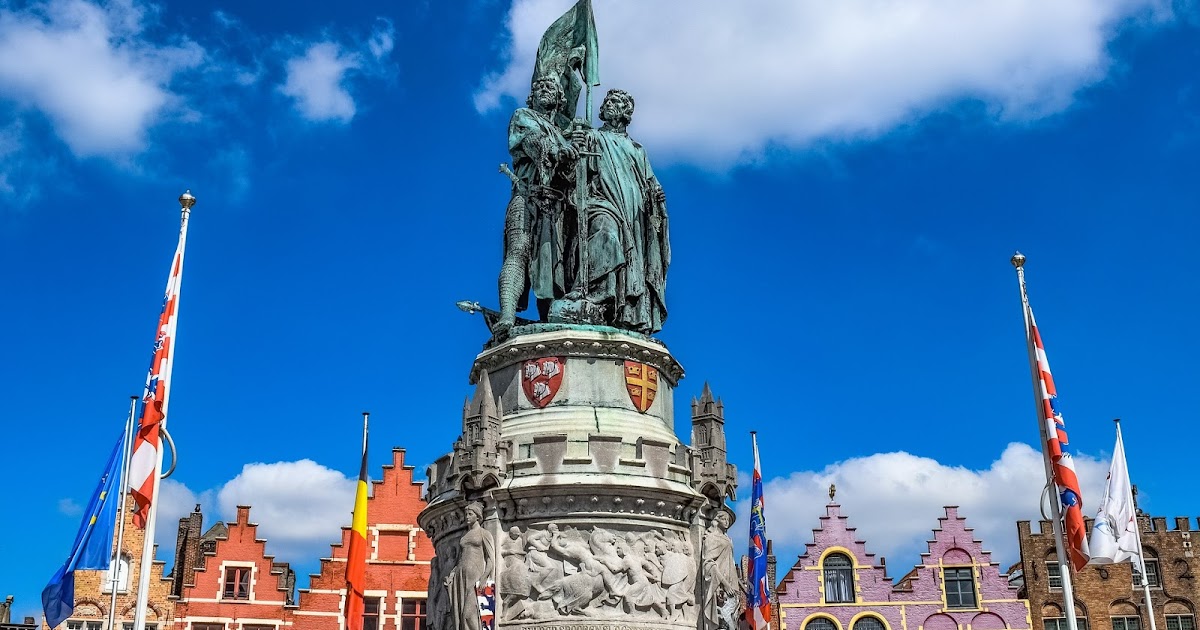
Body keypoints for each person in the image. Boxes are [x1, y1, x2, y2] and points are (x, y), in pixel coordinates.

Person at [569, 89, 669, 333]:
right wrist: (576, 147)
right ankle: (596, 295)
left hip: (634, 212)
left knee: (634, 259)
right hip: (601, 201)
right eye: (608, 101)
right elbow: (572, 171)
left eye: (617, 102)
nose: (610, 105)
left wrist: (657, 195)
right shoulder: (591, 136)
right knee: (606, 233)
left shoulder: (637, 149)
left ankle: (624, 311)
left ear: (627, 112)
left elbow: (649, 181)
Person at [496, 77, 580, 336]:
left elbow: (572, 178)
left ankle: (550, 318)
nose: (543, 90)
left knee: (553, 265)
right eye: (539, 88)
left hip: (555, 205)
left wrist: (576, 151)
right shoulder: (523, 116)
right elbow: (533, 143)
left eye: (550, 88)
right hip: (527, 196)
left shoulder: (563, 134)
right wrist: (560, 149)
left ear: (559, 99)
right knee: (518, 251)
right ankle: (507, 316)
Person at [446, 503, 495, 630]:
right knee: (461, 614)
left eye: (470, 514)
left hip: (476, 576)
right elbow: (459, 559)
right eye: (466, 514)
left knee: (468, 613)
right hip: (461, 576)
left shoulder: (484, 533)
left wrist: (484, 577)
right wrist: (451, 575)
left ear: (478, 516)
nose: (467, 517)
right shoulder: (464, 536)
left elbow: (491, 559)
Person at [701, 511, 741, 630]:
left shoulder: (726, 538)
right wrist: (725, 584)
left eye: (728, 520)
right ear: (717, 520)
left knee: (731, 619)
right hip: (721, 585)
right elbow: (708, 563)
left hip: (731, 581)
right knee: (723, 620)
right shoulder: (711, 537)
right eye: (724, 519)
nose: (727, 522)